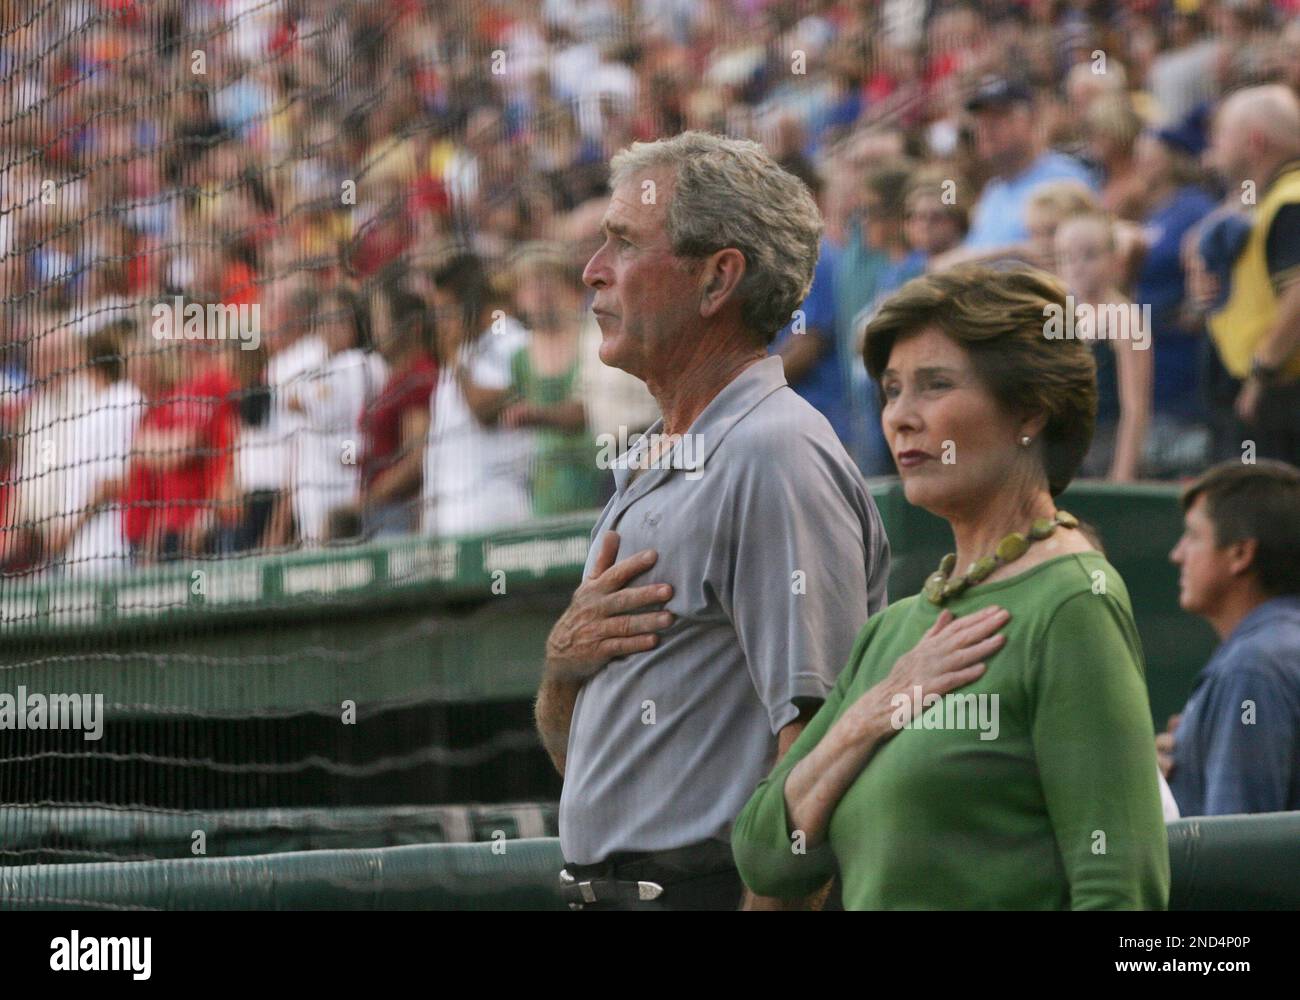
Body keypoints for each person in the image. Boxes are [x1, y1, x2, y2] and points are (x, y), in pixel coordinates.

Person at [732, 264, 1169, 910]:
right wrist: (874, 712)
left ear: (1030, 410)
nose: (901, 418)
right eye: (890, 390)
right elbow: (767, 858)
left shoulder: (1074, 600)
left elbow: (1118, 889)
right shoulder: (895, 632)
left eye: (934, 386)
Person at [534, 131, 890, 911]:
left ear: (718, 278)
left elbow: (826, 754)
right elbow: (600, 771)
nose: (593, 270)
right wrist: (563, 665)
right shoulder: (650, 458)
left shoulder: (774, 452)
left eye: (623, 243)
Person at [1159, 460, 1300, 816]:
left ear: (1240, 553)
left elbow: (1237, 855)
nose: (1177, 556)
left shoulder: (1253, 668)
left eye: (1193, 536)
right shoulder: (1269, 654)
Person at [1194, 85, 1300, 466]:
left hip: (1279, 397)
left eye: (1222, 133)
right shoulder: (1268, 198)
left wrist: (1262, 372)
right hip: (1259, 396)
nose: (1214, 145)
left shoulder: (1291, 201)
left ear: (1255, 141)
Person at [420, 251, 532, 537]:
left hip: (497, 513)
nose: (439, 321)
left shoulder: (513, 340)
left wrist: (455, 360)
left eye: (445, 309)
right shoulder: (463, 352)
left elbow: (483, 411)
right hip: (451, 520)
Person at [499, 243, 607, 517]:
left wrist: (537, 415)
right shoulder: (518, 356)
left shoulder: (592, 338)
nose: (540, 293)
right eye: (529, 285)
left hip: (597, 471)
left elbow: (593, 409)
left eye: (547, 280)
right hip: (546, 479)